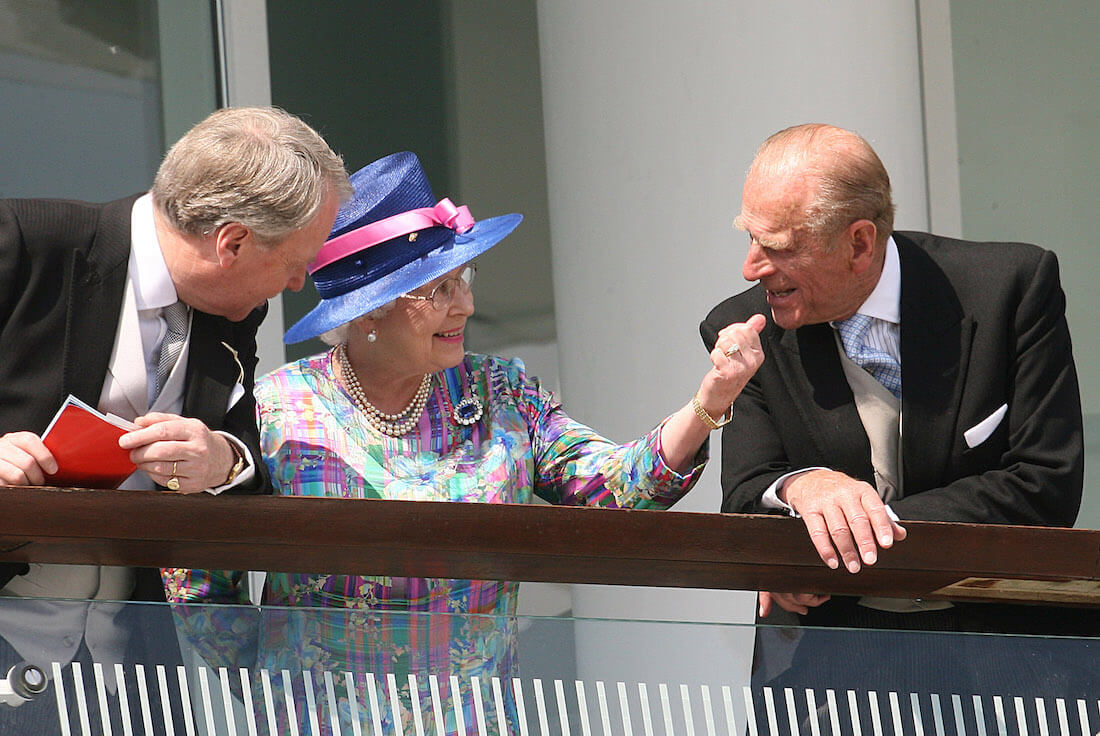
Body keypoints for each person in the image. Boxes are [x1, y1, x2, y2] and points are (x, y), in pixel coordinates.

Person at [163, 150, 766, 734]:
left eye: (465, 279)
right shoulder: (278, 411)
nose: (467, 305)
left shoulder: (498, 391)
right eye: (440, 289)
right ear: (369, 310)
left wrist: (708, 403)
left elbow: (612, 489)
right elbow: (200, 572)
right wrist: (267, 679)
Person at [700, 123, 1091, 703]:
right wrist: (803, 487)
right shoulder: (742, 327)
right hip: (831, 678)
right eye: (750, 238)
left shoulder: (1011, 288)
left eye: (779, 246)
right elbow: (747, 491)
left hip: (1015, 670)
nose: (752, 267)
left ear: (859, 243)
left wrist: (857, 524)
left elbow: (1046, 484)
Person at [0, 106, 351, 732]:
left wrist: (222, 458)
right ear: (233, 241)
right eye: (298, 260)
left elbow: (243, 444)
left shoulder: (234, 306)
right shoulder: (23, 243)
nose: (299, 282)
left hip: (130, 676)